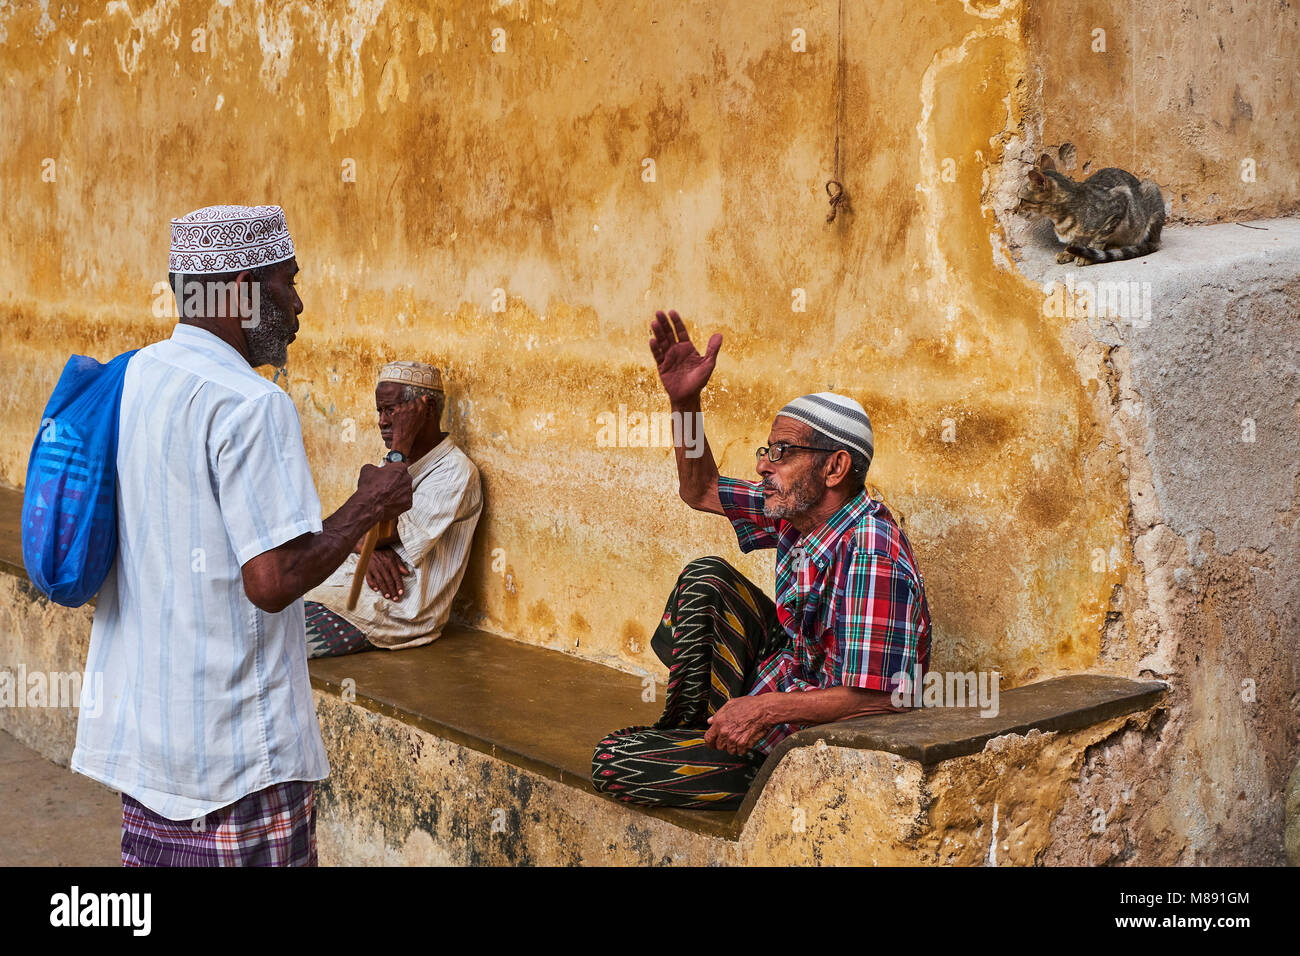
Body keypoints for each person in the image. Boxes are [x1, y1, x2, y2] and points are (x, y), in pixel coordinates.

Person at [70, 204, 414, 866]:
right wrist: (366, 505)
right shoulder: (250, 404)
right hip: (234, 760)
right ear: (238, 293)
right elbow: (273, 579)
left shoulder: (132, 378)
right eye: (287, 283)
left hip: (147, 748)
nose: (299, 305)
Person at [590, 310, 932, 809]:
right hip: (786, 680)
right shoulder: (798, 512)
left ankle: (727, 755)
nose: (762, 465)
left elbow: (884, 698)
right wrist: (685, 402)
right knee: (706, 580)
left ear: (834, 467)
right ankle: (697, 734)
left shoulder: (871, 552)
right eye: (766, 450)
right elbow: (701, 488)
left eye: (781, 452)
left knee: (614, 763)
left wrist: (764, 710)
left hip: (818, 742)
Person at [302, 361, 482, 658]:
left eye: (392, 410)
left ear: (426, 408)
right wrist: (366, 549)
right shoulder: (393, 463)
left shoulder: (455, 472)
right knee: (254, 617)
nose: (382, 422)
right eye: (380, 411)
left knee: (275, 643)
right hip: (338, 590)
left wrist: (399, 446)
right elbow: (358, 527)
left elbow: (380, 531)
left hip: (389, 611)